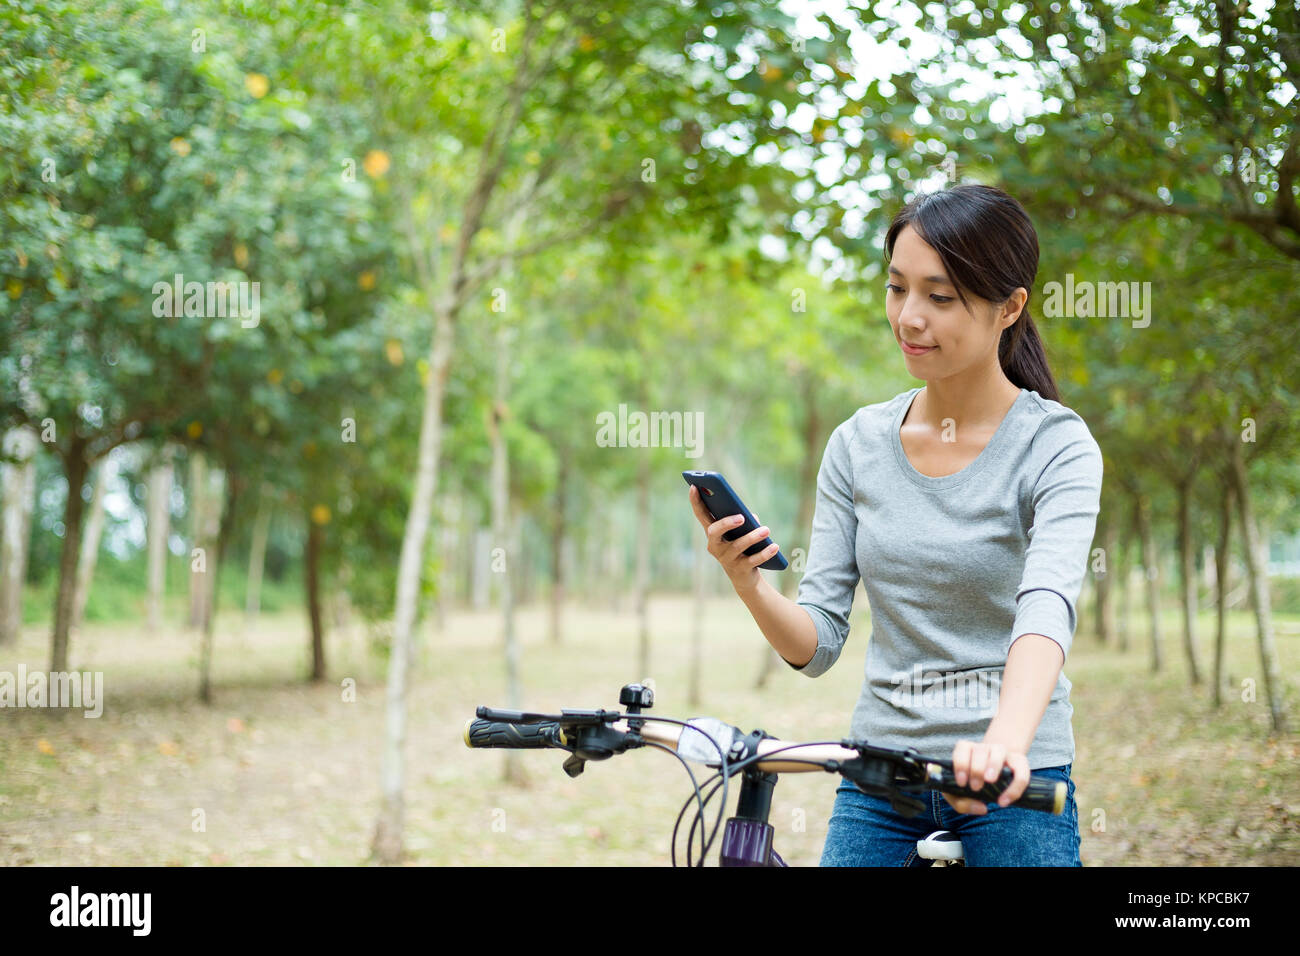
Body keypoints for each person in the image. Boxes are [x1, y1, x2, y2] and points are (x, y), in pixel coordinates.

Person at [687, 183, 1102, 866]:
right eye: (897, 288)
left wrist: (1003, 741)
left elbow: (1046, 604)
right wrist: (751, 586)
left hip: (1016, 775)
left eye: (940, 298)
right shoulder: (858, 445)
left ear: (1010, 307)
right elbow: (816, 644)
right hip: (880, 775)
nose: (909, 317)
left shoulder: (1055, 446)